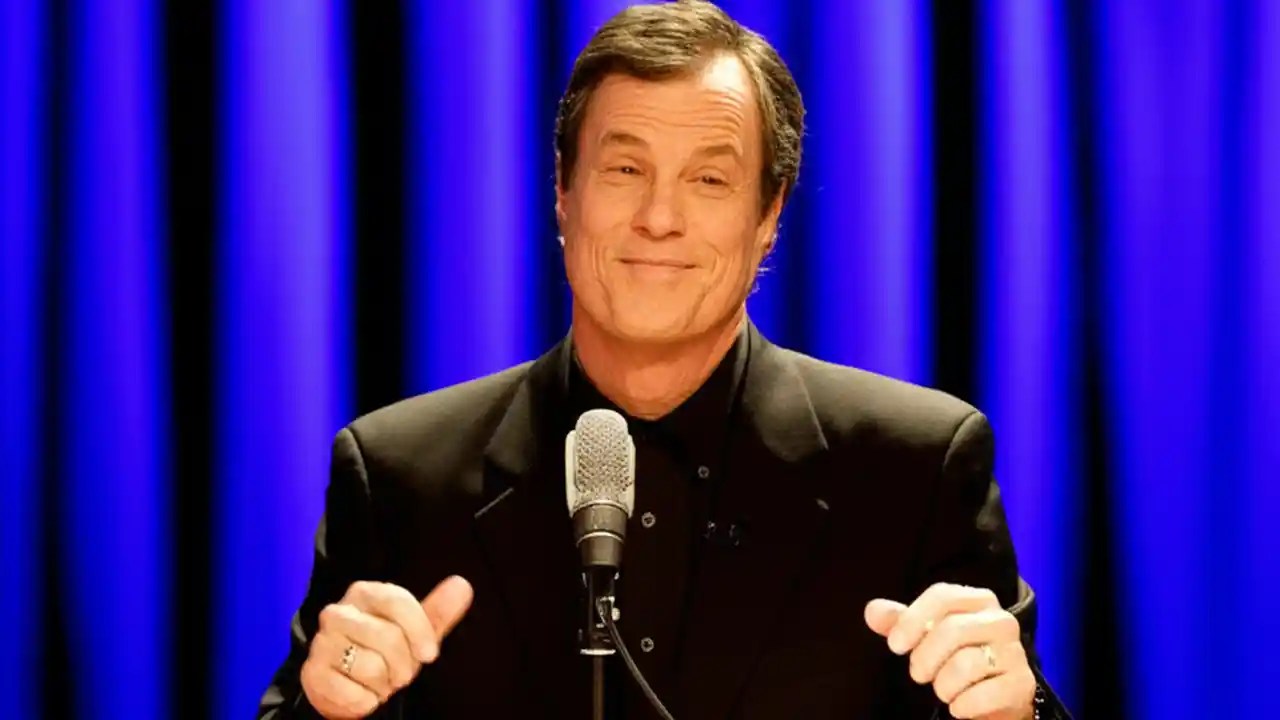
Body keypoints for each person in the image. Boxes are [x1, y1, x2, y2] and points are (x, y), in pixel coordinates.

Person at [260, 1, 1072, 718]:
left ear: (768, 217)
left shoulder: (913, 465)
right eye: (624, 169)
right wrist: (326, 716)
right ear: (563, 194)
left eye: (710, 180)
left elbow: (1014, 698)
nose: (659, 217)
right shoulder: (401, 474)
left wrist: (1015, 713)